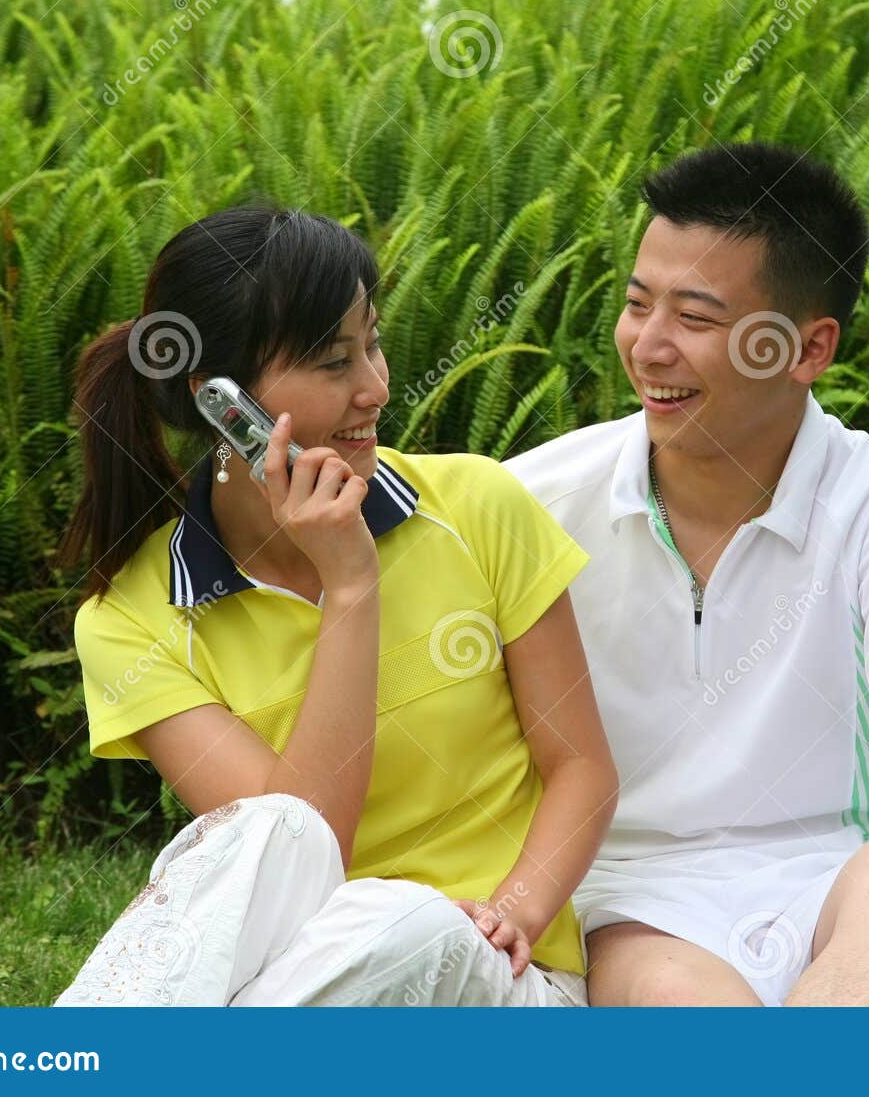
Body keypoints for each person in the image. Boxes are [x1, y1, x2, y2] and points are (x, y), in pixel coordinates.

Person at [52, 205, 617, 1006]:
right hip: (300, 987)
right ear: (222, 403)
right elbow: (298, 850)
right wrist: (350, 587)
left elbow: (583, 767)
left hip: (502, 979)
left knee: (405, 920)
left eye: (373, 343)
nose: (376, 387)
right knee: (260, 832)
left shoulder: (479, 504)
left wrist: (512, 911)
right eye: (332, 361)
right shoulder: (129, 621)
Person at [505, 143, 869, 1006]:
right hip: (635, 900)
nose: (650, 346)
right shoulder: (535, 502)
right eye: (637, 305)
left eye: (696, 320)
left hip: (849, 877)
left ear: (807, 347)